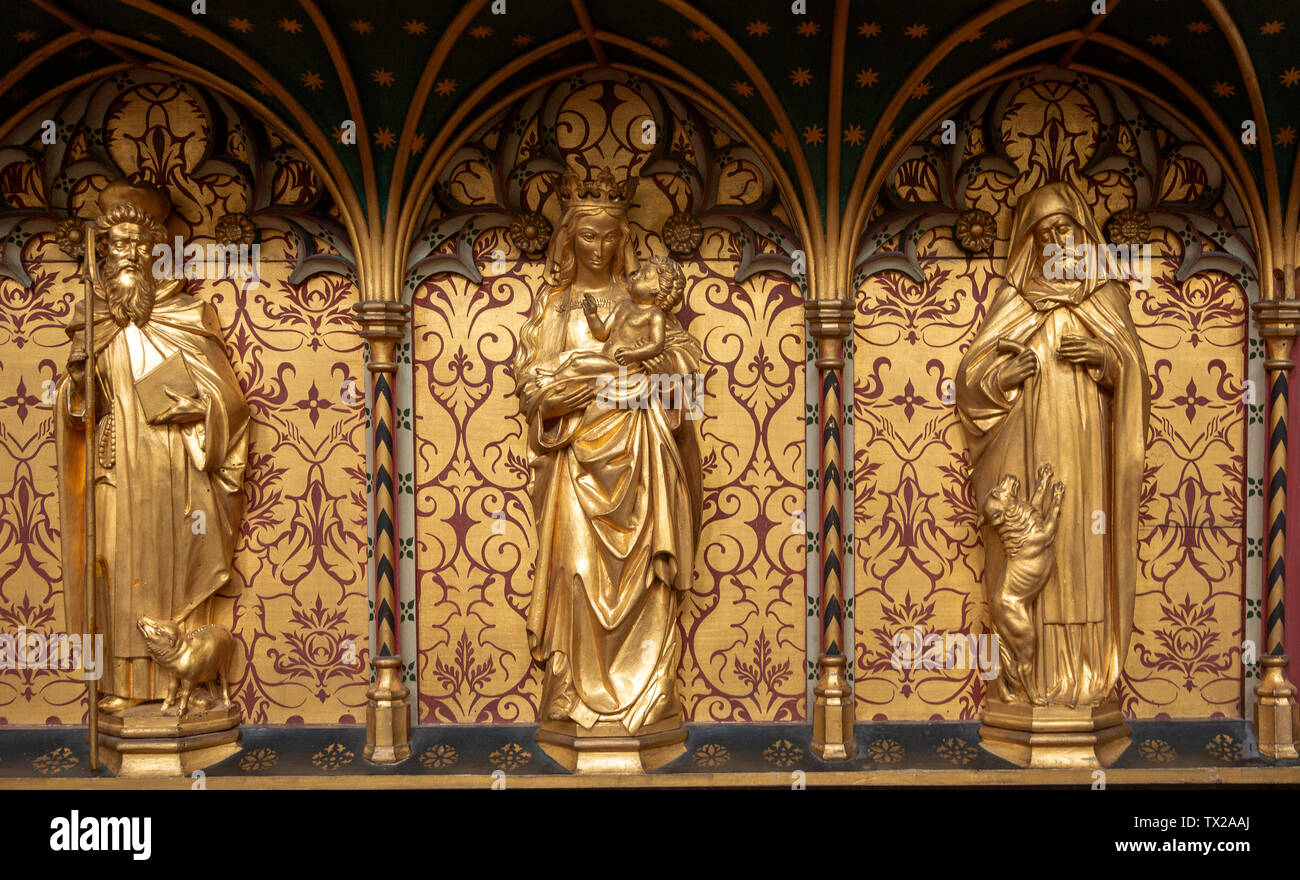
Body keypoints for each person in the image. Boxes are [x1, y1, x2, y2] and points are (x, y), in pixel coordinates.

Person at [513, 166, 703, 734]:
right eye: (587, 236)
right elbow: (532, 387)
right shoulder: (555, 307)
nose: (598, 247)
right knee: (572, 572)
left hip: (641, 458)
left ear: (626, 239)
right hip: (576, 460)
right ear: (568, 238)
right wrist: (581, 385)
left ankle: (649, 692)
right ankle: (569, 689)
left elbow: (686, 382)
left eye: (610, 236)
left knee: (647, 580)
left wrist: (647, 377)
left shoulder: (643, 304)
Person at [55, 179, 249, 713]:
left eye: (141, 245)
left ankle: (176, 685)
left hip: (173, 469)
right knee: (116, 570)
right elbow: (79, 411)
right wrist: (78, 379)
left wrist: (198, 407)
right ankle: (121, 685)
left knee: (165, 575)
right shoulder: (91, 321)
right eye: (120, 244)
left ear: (157, 250)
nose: (131, 255)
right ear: (103, 249)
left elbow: (229, 402)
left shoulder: (186, 313)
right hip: (114, 468)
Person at [955, 182, 1149, 707]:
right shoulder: (1015, 301)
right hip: (1031, 445)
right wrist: (1003, 376)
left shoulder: (1104, 297)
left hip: (1089, 452)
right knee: (1035, 556)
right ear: (1031, 244)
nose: (1057, 241)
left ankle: (1086, 674)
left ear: (1082, 233)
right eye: (1045, 234)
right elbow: (970, 383)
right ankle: (1032, 676)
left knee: (1081, 548)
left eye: (1065, 229)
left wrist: (1108, 363)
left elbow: (1135, 379)